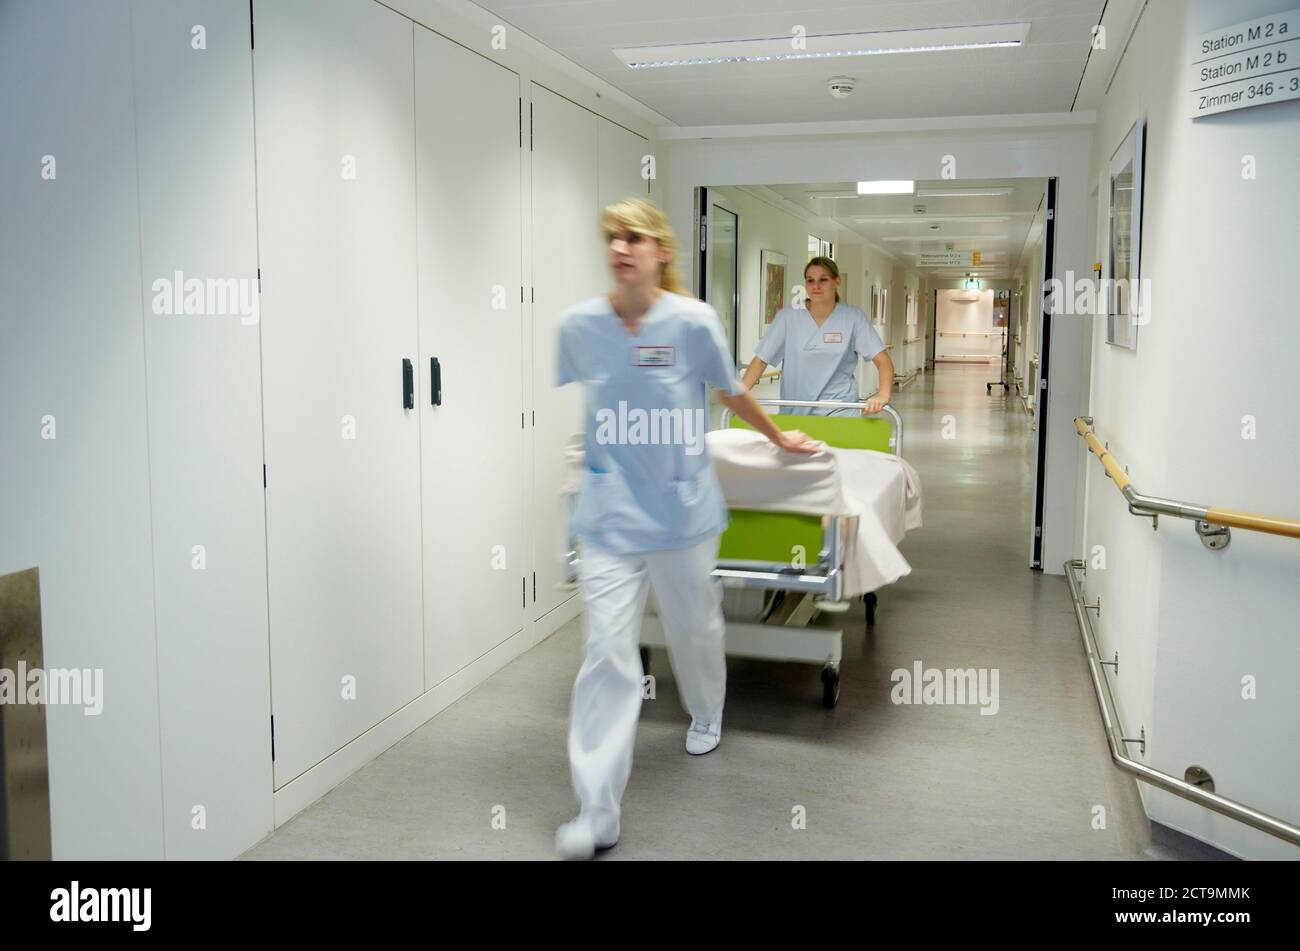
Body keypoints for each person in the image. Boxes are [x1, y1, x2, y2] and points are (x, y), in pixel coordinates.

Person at [554, 198, 817, 860]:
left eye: (634, 236)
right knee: (606, 656)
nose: (621, 246)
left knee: (693, 627)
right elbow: (596, 401)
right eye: (612, 236)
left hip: (681, 514)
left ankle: (706, 709)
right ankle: (597, 808)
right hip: (609, 517)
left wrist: (777, 434)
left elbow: (729, 390)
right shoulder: (581, 324)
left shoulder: (694, 321)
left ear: (662, 248)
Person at [741, 256, 895, 417]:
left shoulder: (853, 318)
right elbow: (761, 360)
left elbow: (883, 361)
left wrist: (883, 395)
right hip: (796, 409)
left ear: (836, 281)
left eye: (823, 280)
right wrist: (740, 394)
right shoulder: (788, 317)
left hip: (839, 410)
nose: (816, 286)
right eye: (810, 280)